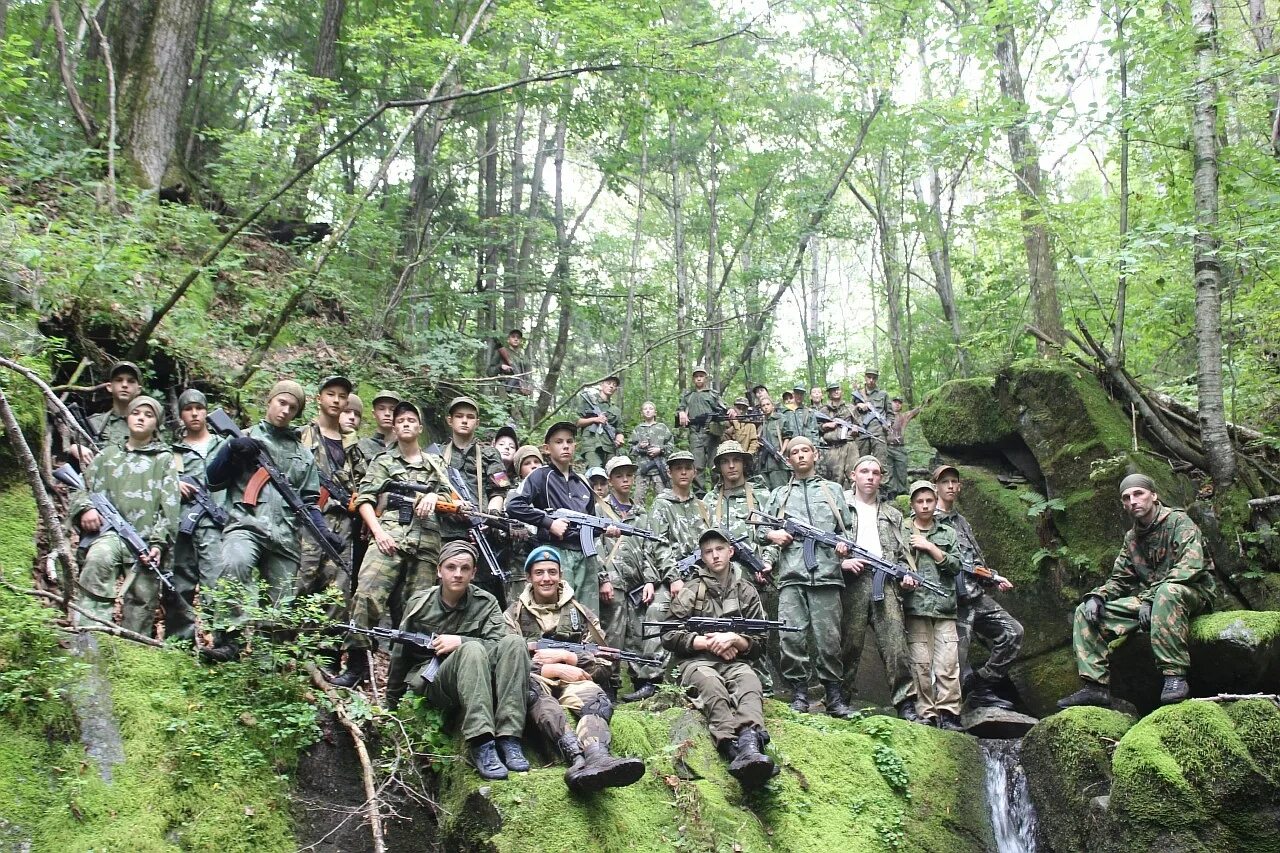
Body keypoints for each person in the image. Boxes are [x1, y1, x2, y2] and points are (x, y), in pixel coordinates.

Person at [1058, 474, 1216, 709]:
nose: (1133, 501)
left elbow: (1189, 567)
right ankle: (1095, 687)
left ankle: (1175, 677)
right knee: (1086, 611)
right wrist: (1098, 596)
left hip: (1191, 593)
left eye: (1138, 493)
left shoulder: (1179, 522)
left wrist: (1151, 598)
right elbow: (1120, 579)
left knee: (1167, 593)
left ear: (1153, 495)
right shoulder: (1132, 538)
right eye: (1126, 497)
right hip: (1151, 601)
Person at [202, 380, 327, 663]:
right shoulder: (244, 437)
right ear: (269, 401)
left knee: (281, 601)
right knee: (235, 563)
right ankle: (227, 640)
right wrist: (231, 451)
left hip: (285, 537)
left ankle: (266, 663)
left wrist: (324, 532)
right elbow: (212, 479)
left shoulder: (302, 454)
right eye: (281, 403)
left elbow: (309, 500)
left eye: (292, 408)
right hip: (245, 524)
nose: (285, 411)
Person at [385, 541, 532, 781]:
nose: (458, 574)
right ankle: (482, 743)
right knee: (472, 648)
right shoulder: (420, 603)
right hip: (436, 680)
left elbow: (499, 644)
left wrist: (459, 641)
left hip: (479, 676)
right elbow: (401, 652)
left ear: (473, 573)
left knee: (515, 643)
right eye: (451, 567)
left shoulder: (486, 602)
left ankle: (509, 738)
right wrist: (392, 704)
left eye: (465, 568)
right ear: (439, 570)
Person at [505, 546, 646, 792]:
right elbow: (504, 659)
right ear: (529, 577)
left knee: (596, 701)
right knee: (539, 700)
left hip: (575, 679)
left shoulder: (580, 613)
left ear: (561, 575)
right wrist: (547, 669)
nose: (546, 578)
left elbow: (604, 663)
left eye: (552, 572)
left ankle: (598, 755)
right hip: (534, 680)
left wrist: (569, 658)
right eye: (539, 573)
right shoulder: (513, 615)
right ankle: (576, 760)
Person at [331, 401, 447, 688]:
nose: (406, 424)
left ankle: (407, 679)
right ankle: (357, 664)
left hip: (425, 544)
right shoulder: (383, 461)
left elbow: (456, 500)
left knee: (418, 611)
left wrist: (434, 497)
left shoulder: (437, 464)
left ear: (420, 428)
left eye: (411, 420)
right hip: (389, 538)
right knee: (366, 594)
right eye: (401, 420)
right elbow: (364, 499)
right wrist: (377, 532)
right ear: (394, 427)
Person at [662, 528, 777, 788]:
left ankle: (751, 743)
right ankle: (731, 749)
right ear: (702, 557)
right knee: (712, 687)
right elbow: (668, 634)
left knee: (749, 682)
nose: (715, 556)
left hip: (735, 661)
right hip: (696, 662)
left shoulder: (747, 591)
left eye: (719, 549)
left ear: (731, 552)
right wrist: (706, 642)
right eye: (708, 552)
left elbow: (760, 643)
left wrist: (736, 640)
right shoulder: (691, 590)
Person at [69, 395, 180, 636]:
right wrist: (86, 509)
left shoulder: (164, 460)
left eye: (149, 415)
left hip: (146, 543)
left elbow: (170, 508)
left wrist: (158, 543)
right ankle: (90, 635)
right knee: (97, 560)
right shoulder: (107, 455)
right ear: (127, 417)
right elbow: (82, 489)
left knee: (142, 600)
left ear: (157, 424)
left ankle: (133, 651)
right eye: (137, 413)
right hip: (109, 536)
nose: (141, 418)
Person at [763, 436, 856, 718]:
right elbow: (761, 530)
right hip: (791, 574)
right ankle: (799, 693)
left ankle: (834, 696)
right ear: (788, 460)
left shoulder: (833, 490)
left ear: (815, 455)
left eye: (805, 451)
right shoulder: (779, 495)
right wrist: (773, 534)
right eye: (794, 452)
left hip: (827, 574)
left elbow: (848, 530)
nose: (800, 455)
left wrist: (844, 545)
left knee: (829, 639)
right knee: (790, 636)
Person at [933, 464, 1022, 711]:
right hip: (952, 599)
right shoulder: (928, 520)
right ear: (936, 487)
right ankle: (947, 712)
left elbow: (974, 559)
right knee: (953, 659)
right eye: (944, 482)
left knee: (1013, 632)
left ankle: (980, 684)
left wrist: (992, 577)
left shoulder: (961, 521)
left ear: (959, 487)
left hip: (975, 595)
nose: (950, 486)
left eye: (954, 482)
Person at [506, 421, 617, 616]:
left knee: (589, 616)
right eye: (559, 441)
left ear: (575, 446)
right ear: (547, 449)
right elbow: (514, 506)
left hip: (586, 557)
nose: (565, 445)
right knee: (559, 614)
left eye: (569, 441)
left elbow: (590, 524)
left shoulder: (583, 482)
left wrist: (606, 530)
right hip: (555, 554)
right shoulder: (540, 476)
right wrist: (549, 523)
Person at [625, 450, 709, 701]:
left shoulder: (703, 506)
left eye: (687, 468)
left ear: (694, 472)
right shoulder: (661, 505)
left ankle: (701, 676)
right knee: (656, 613)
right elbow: (657, 544)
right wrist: (673, 578)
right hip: (671, 577)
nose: (683, 472)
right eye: (677, 468)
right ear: (670, 473)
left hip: (701, 578)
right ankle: (651, 679)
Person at [839, 456, 917, 721]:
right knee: (849, 644)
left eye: (875, 472)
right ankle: (839, 700)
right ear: (853, 475)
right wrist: (842, 563)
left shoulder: (893, 514)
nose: (870, 477)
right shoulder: (839, 506)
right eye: (864, 471)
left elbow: (905, 553)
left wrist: (909, 577)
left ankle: (906, 703)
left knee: (895, 644)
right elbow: (828, 544)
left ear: (881, 477)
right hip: (852, 582)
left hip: (886, 582)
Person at [704, 440, 778, 694]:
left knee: (755, 628)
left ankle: (762, 683)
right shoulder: (709, 500)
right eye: (725, 461)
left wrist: (766, 560)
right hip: (714, 580)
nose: (731, 465)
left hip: (753, 579)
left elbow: (774, 536)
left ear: (745, 463)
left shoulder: (761, 496)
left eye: (736, 460)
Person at [901, 480, 963, 731]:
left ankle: (949, 713)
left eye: (929, 500)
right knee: (920, 663)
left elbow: (956, 566)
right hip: (915, 606)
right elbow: (894, 559)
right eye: (920, 501)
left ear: (936, 501)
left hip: (945, 605)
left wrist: (930, 547)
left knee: (948, 663)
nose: (925, 506)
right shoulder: (902, 530)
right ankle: (926, 712)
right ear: (912, 504)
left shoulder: (947, 532)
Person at [167, 389, 228, 641]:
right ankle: (179, 643)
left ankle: (223, 645)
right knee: (179, 585)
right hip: (182, 526)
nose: (194, 413)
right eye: (188, 409)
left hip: (216, 526)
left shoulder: (223, 445)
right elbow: (156, 479)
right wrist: (173, 484)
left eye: (199, 408)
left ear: (206, 411)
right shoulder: (172, 451)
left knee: (217, 584)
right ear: (181, 414)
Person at [436, 396, 510, 601]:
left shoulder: (489, 454)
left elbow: (499, 491)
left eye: (470, 417)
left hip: (481, 530)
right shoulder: (436, 455)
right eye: (459, 416)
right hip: (446, 532)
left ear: (477, 422)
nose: (465, 421)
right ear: (450, 420)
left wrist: (491, 517)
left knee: (485, 589)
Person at [297, 376, 358, 618]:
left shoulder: (352, 443)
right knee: (301, 580)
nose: (336, 400)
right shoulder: (301, 436)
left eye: (342, 396)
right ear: (318, 398)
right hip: (309, 519)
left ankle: (325, 653)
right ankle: (278, 648)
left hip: (343, 523)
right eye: (331, 394)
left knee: (337, 591)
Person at [596, 456, 647, 663]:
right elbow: (594, 545)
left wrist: (650, 581)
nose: (625, 480)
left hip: (636, 582)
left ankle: (639, 679)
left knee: (638, 633)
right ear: (610, 480)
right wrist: (603, 579)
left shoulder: (641, 512)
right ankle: (609, 680)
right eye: (619, 476)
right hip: (612, 580)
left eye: (628, 475)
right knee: (611, 634)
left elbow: (649, 549)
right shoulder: (600, 509)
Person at [69, 360, 144, 464]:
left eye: (131, 381)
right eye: (119, 380)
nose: (124, 385)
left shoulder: (146, 426)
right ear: (109, 387)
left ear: (138, 390)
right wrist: (74, 448)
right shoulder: (94, 423)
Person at [677, 366, 724, 493]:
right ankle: (700, 496)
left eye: (701, 376)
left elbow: (724, 409)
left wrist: (730, 410)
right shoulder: (688, 395)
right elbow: (680, 408)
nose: (699, 378)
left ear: (706, 378)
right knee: (697, 466)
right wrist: (681, 413)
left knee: (715, 465)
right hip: (695, 433)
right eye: (696, 376)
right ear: (693, 379)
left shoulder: (713, 394)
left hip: (712, 433)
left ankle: (719, 492)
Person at [577, 374, 626, 471]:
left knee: (612, 474)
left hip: (609, 446)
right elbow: (576, 422)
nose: (611, 386)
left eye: (614, 385)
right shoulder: (588, 400)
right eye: (608, 383)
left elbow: (620, 430)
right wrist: (595, 420)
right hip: (591, 444)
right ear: (601, 385)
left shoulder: (615, 410)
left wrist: (620, 438)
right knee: (595, 472)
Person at [631, 400, 675, 506]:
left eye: (650, 409)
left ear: (655, 412)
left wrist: (660, 450)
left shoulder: (662, 428)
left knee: (663, 499)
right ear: (642, 413)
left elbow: (671, 447)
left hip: (659, 469)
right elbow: (631, 450)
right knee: (638, 500)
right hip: (642, 470)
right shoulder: (638, 429)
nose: (648, 411)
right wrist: (640, 447)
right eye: (645, 409)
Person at [818, 381, 860, 485]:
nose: (836, 391)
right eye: (833, 390)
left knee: (854, 475)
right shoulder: (823, 410)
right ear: (829, 393)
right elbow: (815, 428)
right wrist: (825, 426)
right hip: (832, 447)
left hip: (849, 445)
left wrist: (855, 429)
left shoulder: (850, 408)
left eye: (838, 389)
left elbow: (859, 424)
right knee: (835, 478)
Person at [853, 367, 891, 473]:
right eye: (869, 377)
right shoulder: (857, 394)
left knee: (881, 464)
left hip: (879, 433)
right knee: (861, 463)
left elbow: (890, 414)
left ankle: (881, 488)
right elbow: (850, 413)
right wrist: (857, 406)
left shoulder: (883, 394)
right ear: (865, 377)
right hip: (862, 433)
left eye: (874, 378)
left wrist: (888, 423)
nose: (871, 380)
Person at [755, 392, 790, 490]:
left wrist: (781, 452)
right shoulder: (762, 422)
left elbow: (787, 437)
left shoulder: (780, 419)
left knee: (780, 491)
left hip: (777, 464)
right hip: (763, 464)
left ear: (773, 406)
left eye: (768, 404)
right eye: (763, 405)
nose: (765, 407)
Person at [885, 399, 919, 498]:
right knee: (889, 471)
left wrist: (925, 403)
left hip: (899, 447)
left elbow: (914, 412)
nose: (897, 404)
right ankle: (891, 492)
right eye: (895, 402)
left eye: (899, 403)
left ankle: (902, 493)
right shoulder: (884, 416)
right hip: (887, 447)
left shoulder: (903, 416)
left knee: (902, 471)